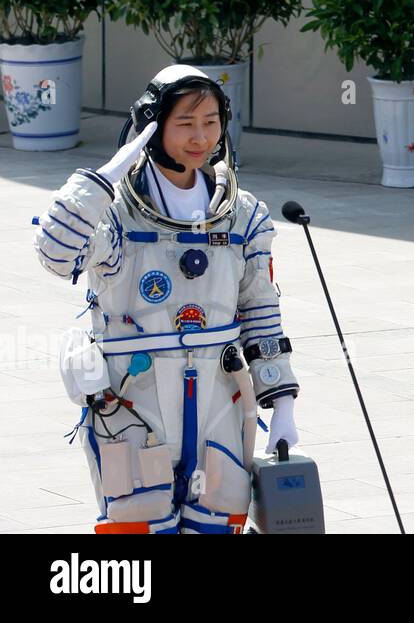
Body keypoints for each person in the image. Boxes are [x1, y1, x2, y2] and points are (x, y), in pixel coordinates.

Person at [34, 65, 299, 533]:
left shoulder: (242, 216)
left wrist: (282, 401)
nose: (201, 137)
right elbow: (56, 253)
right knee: (140, 525)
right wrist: (101, 180)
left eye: (211, 122)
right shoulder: (116, 214)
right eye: (185, 123)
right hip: (132, 407)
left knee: (218, 522)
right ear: (151, 125)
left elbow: (260, 310)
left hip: (220, 405)